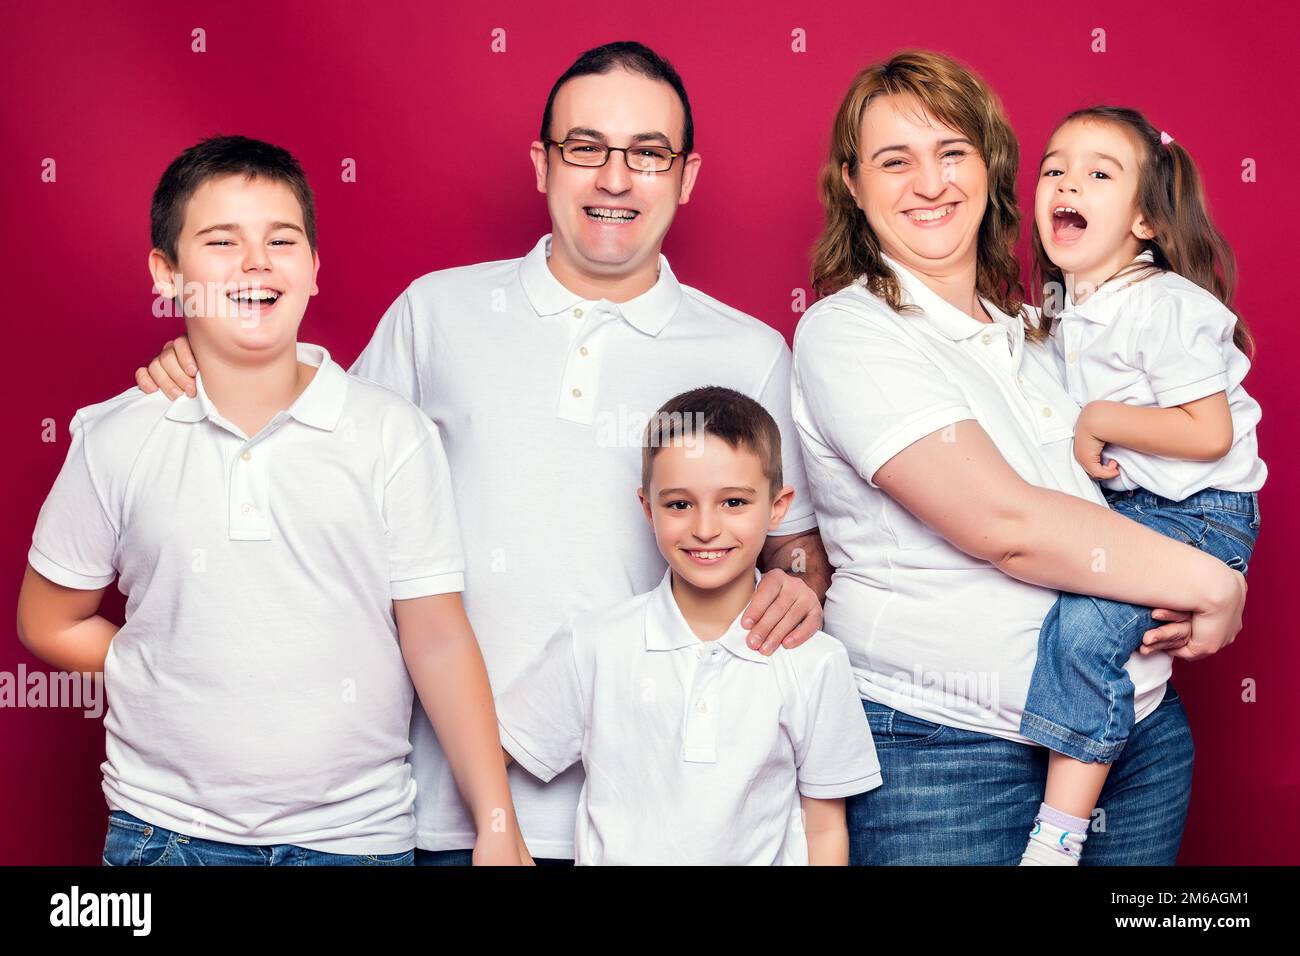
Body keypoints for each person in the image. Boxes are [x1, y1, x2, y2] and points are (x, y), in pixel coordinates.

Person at [128, 42, 830, 865]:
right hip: (442, 810)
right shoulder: (438, 314)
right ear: (542, 164)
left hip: (663, 819)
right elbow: (311, 472)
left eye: (648, 153)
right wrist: (210, 368)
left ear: (686, 175)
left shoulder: (749, 353)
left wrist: (797, 587)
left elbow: (798, 551)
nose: (615, 178)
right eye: (585, 148)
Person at [791, 50, 1247, 865]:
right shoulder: (849, 330)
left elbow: (1179, 461)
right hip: (952, 751)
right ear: (853, 187)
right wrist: (1216, 583)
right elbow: (1006, 524)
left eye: (952, 153)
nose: (929, 183)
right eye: (895, 161)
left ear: (992, 167)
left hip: (1136, 736)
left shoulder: (1042, 333)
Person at [17, 135, 524, 866]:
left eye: (280, 240)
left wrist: (497, 825)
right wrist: (165, 667)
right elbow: (47, 619)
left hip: (357, 840)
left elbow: (437, 637)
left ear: (314, 269)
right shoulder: (115, 438)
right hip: (168, 835)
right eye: (221, 241)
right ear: (168, 274)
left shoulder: (392, 434)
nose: (256, 262)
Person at [1015, 106, 1265, 865]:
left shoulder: (1165, 306)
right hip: (1140, 509)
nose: (1067, 182)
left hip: (1199, 514)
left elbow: (1207, 432)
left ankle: (1058, 835)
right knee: (1080, 624)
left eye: (1098, 173)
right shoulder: (1066, 306)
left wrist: (1099, 418)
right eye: (1055, 167)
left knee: (1085, 632)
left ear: (1148, 221)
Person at [495, 387, 881, 864]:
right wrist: (501, 839)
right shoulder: (596, 644)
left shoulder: (816, 660)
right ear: (647, 508)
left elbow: (824, 829)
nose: (704, 528)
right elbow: (491, 749)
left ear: (777, 506)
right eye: (679, 504)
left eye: (734, 502)